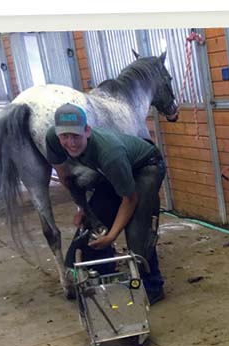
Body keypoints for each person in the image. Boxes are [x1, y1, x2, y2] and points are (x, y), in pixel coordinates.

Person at [46, 103, 167, 304]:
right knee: (93, 225)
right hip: (114, 172)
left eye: (76, 136)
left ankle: (152, 286)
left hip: (146, 166)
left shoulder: (109, 153)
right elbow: (66, 178)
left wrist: (112, 236)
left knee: (137, 232)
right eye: (65, 136)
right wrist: (84, 209)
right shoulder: (53, 139)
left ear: (87, 131)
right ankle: (103, 279)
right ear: (57, 134)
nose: (70, 142)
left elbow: (129, 199)